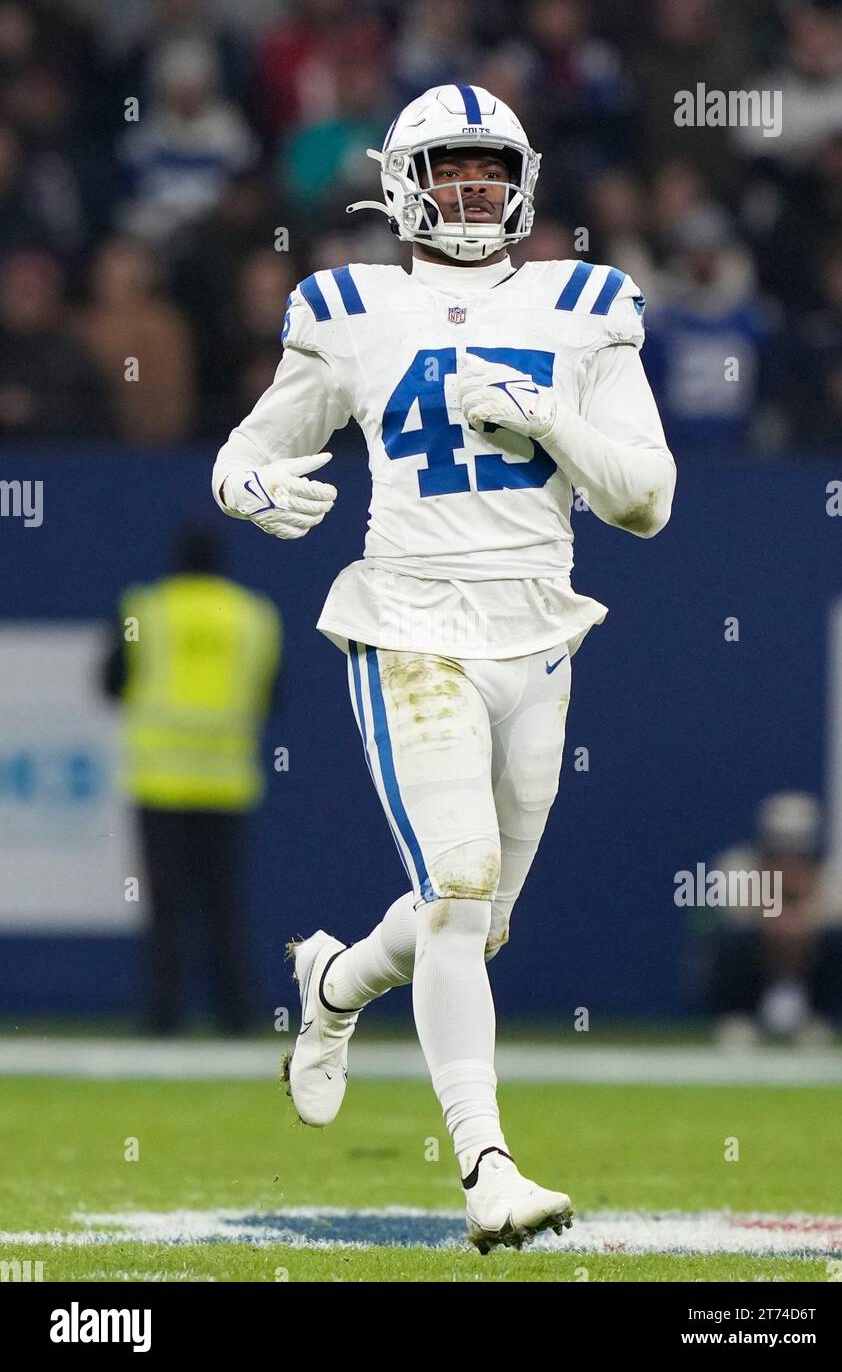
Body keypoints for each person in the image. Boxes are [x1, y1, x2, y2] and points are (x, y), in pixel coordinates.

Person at [212, 85, 675, 1252]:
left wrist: (546, 416)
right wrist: (252, 488)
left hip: (539, 629)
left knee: (475, 917)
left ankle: (332, 983)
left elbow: (646, 500)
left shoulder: (585, 302)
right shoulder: (350, 306)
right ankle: (486, 1169)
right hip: (409, 624)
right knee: (459, 890)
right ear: (403, 183)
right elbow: (249, 450)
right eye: (448, 169)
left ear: (518, 180)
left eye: (486, 169)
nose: (470, 190)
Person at [104, 525, 282, 1035]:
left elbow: (111, 683)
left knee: (165, 908)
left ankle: (163, 1018)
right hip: (227, 784)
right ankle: (235, 1018)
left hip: (160, 783)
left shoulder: (148, 610)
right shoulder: (252, 616)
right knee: (224, 906)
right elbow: (273, 695)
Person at [702, 793, 842, 1049]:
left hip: (808, 966)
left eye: (798, 852)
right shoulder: (734, 868)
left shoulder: (836, 877)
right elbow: (734, 915)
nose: (788, 861)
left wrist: (803, 912)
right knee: (731, 938)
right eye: (780, 850)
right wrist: (775, 908)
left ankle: (818, 1019)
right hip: (757, 966)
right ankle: (738, 1018)